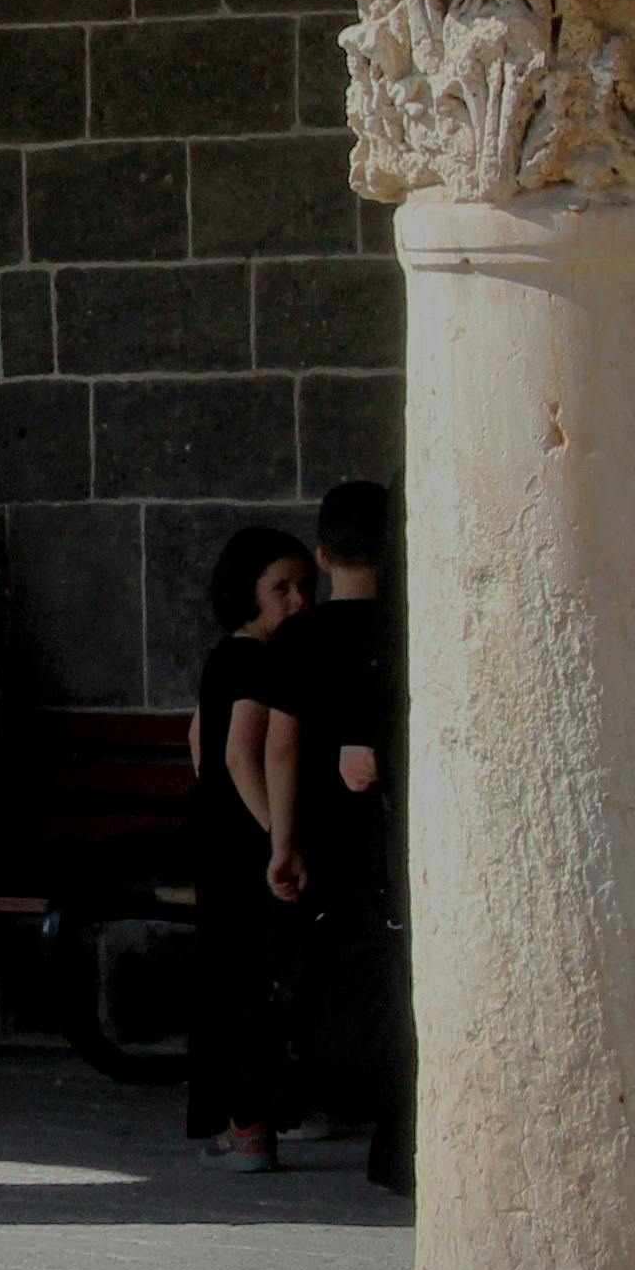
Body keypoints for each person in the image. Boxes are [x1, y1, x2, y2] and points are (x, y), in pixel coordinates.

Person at [248, 478, 407, 1189]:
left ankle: (297, 1097)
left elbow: (278, 748)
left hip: (319, 829)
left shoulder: (300, 637)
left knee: (308, 963)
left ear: (322, 556)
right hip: (386, 832)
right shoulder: (403, 629)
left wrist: (282, 838)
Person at [181, 523, 317, 1170]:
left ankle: (247, 1117)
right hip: (250, 843)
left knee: (233, 974)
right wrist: (277, 837)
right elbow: (242, 754)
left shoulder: (223, 656)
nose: (297, 602)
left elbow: (199, 741)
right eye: (280, 588)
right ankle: (256, 1117)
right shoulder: (265, 662)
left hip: (219, 838)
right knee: (262, 976)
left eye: (303, 587)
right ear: (247, 592)